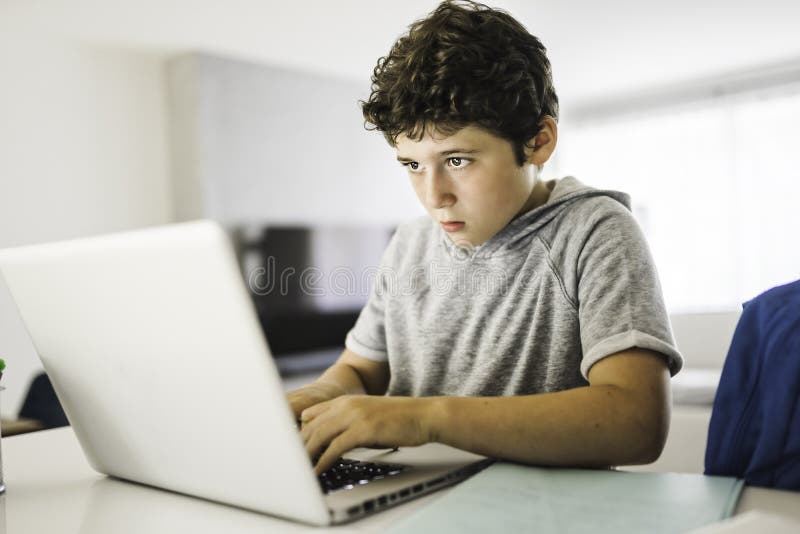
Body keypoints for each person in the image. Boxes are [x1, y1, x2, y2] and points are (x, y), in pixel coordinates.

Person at [287, 0, 683, 475]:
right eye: (413, 165)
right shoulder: (410, 243)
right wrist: (322, 396)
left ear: (538, 141)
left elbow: (636, 424)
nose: (434, 197)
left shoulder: (594, 232)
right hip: (408, 495)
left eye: (457, 160)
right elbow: (360, 370)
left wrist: (426, 417)